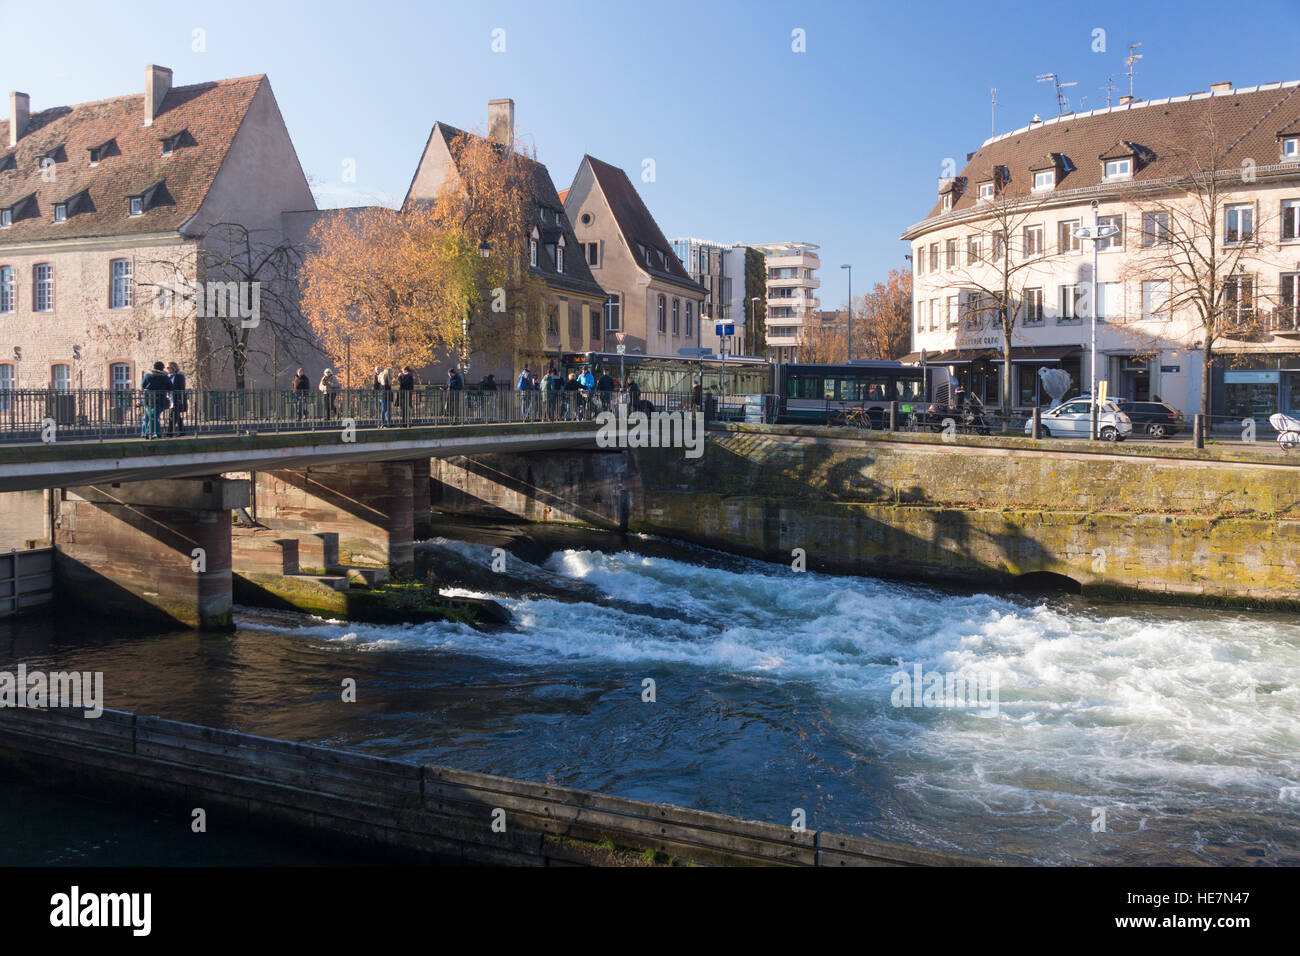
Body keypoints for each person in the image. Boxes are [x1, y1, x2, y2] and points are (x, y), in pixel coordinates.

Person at [141, 361, 168, 439]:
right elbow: (170, 387)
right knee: (154, 417)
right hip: (160, 399)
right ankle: (149, 433)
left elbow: (143, 385)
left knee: (150, 417)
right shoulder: (164, 377)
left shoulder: (148, 376)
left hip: (148, 399)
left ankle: (153, 433)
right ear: (162, 368)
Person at [166, 362, 187, 437]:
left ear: (173, 368)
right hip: (172, 398)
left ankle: (169, 433)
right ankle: (181, 432)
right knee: (176, 416)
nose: (167, 369)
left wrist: (179, 398)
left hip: (177, 398)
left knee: (173, 416)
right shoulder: (171, 376)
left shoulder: (179, 376)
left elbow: (181, 387)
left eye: (168, 368)